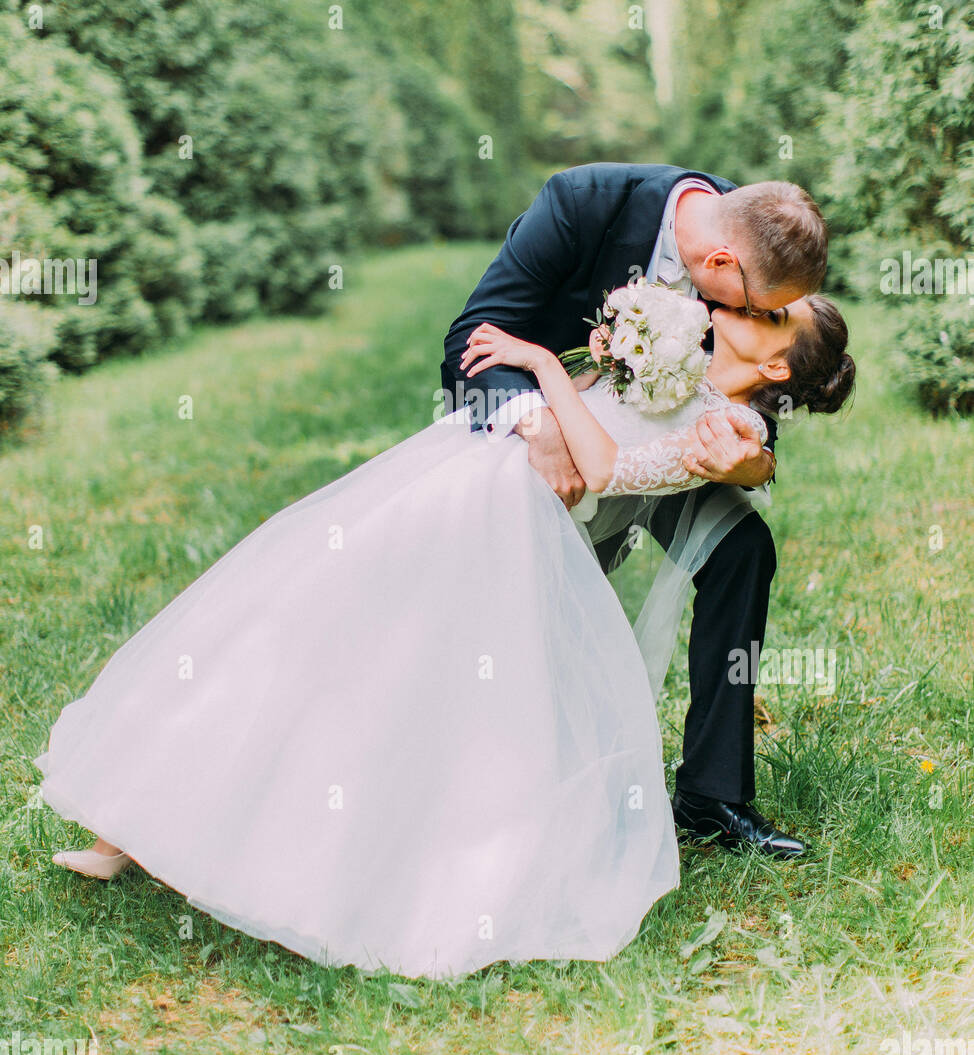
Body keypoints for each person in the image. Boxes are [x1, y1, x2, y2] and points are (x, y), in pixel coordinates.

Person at [36, 282, 853, 980]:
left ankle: (337, 857)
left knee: (379, 665)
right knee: (299, 611)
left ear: (777, 366)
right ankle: (132, 819)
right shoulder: (675, 349)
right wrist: (594, 360)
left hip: (508, 520)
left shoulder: (736, 431)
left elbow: (605, 469)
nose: (744, 302)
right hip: (472, 464)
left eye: (773, 314)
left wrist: (538, 364)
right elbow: (598, 411)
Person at [441, 163, 835, 856]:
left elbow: (763, 390)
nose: (736, 319)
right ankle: (496, 762)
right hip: (554, 430)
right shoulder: (580, 206)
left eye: (757, 314)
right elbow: (469, 340)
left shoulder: (754, 233)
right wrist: (540, 424)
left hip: (650, 450)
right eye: (752, 304)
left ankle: (713, 794)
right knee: (507, 597)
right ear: (720, 264)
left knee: (744, 547)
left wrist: (754, 458)